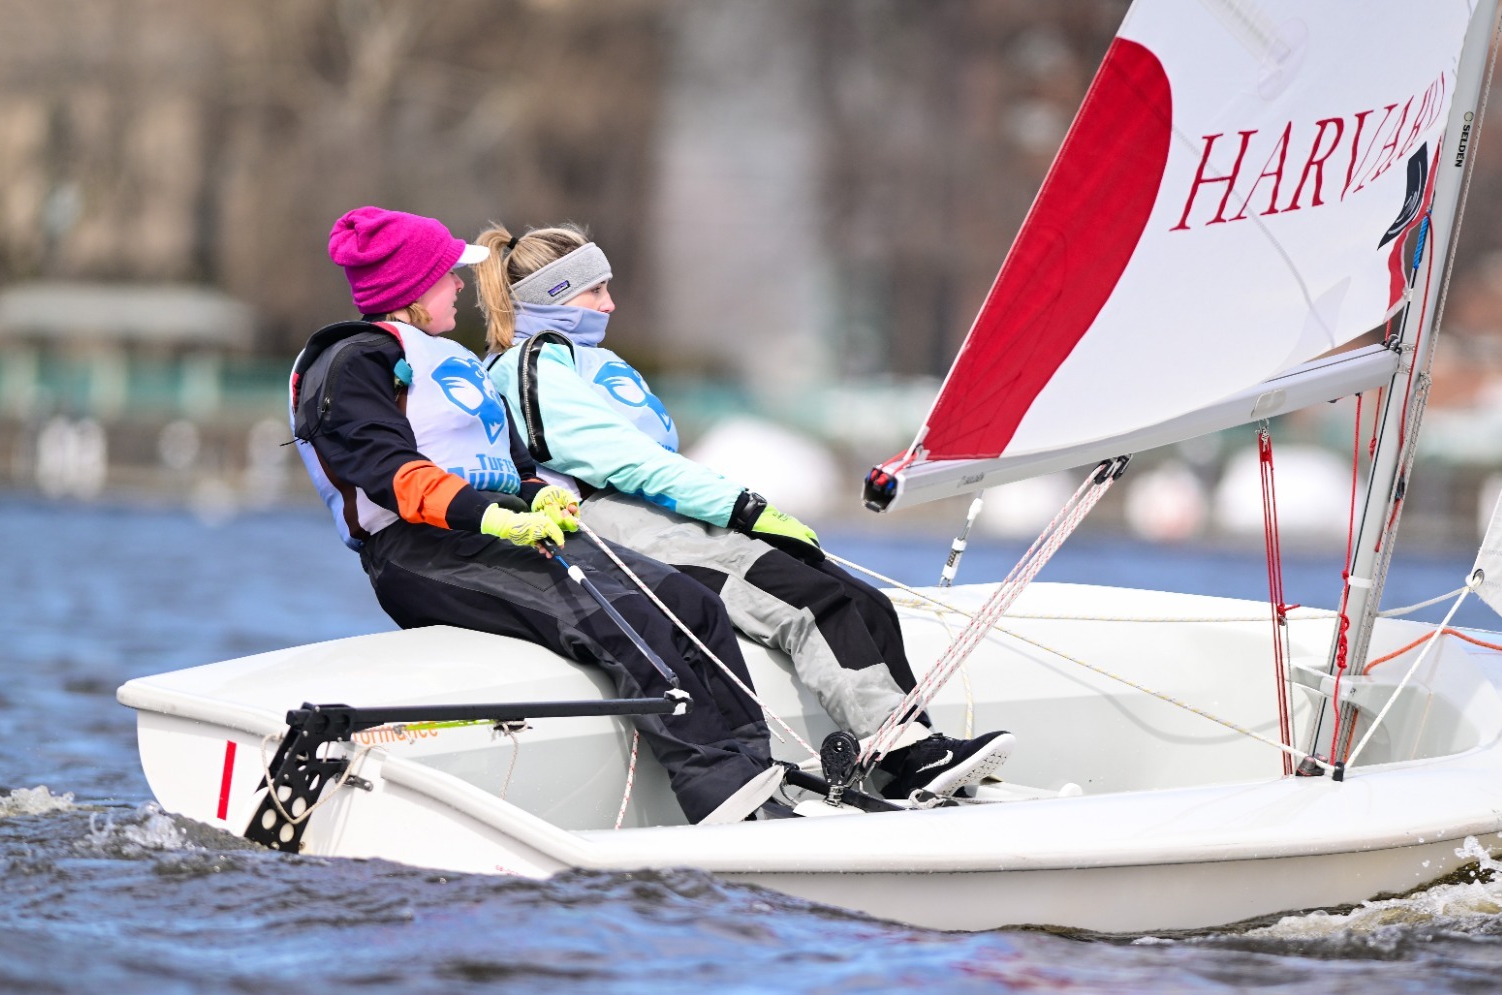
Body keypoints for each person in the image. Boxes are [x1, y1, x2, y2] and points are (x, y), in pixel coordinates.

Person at [471, 222, 1013, 801]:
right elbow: (631, 465)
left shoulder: (577, 361)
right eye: (595, 291)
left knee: (866, 602)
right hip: (616, 526)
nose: (611, 303)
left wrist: (738, 511)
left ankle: (910, 758)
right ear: (555, 297)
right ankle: (903, 753)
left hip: (668, 519)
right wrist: (745, 509)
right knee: (809, 602)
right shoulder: (529, 371)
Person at [291, 206, 786, 824]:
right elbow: (390, 474)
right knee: (629, 619)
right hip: (422, 552)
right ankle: (721, 803)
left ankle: (760, 785)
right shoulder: (349, 362)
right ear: (414, 289)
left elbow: (511, 459)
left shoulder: (450, 357)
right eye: (449, 274)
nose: (462, 285)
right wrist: (493, 518)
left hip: (512, 534)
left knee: (691, 606)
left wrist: (536, 494)